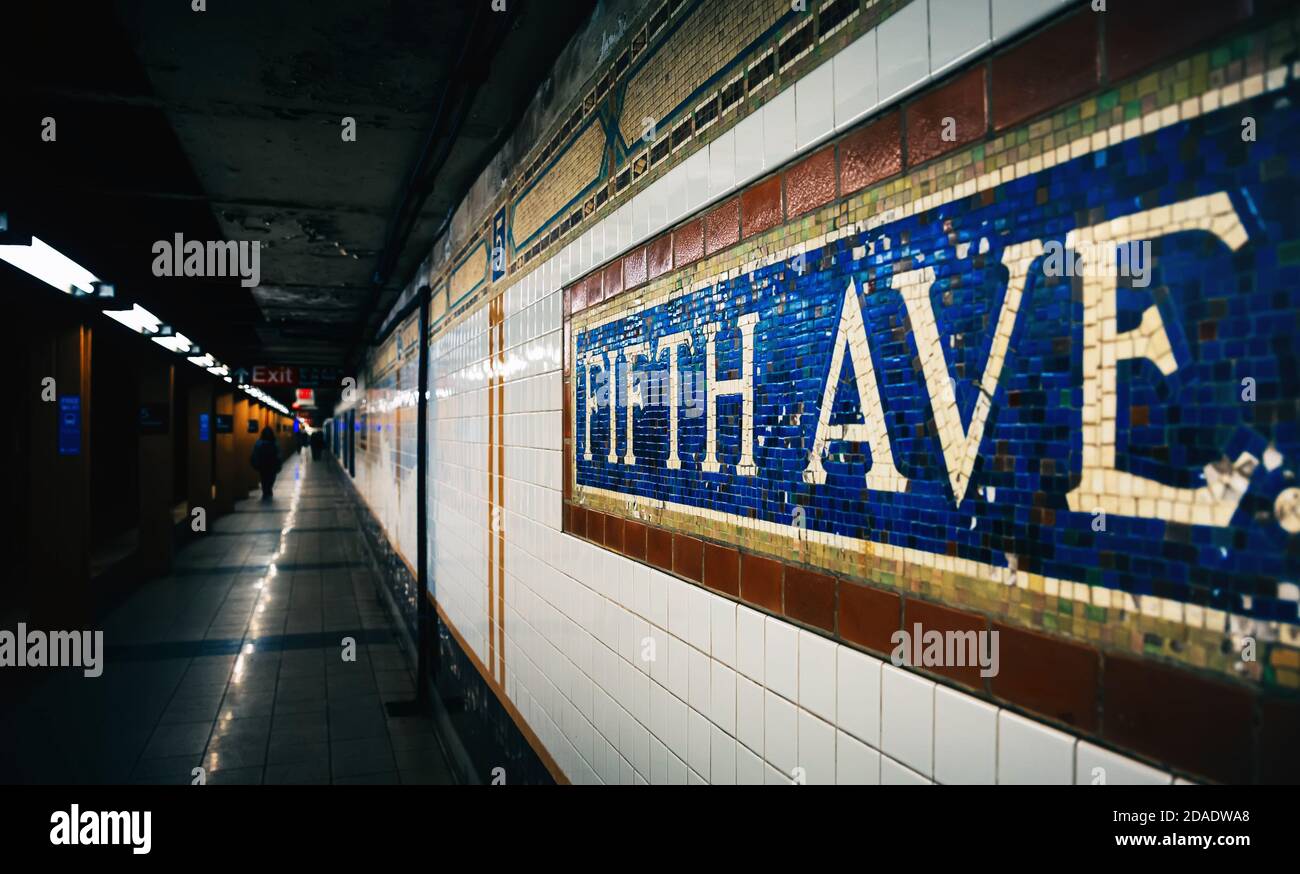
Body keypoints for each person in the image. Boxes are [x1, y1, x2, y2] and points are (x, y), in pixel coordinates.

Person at [250, 426, 282, 500]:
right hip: (265, 464)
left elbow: (278, 452)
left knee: (270, 478)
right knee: (265, 478)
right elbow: (255, 452)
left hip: (269, 463)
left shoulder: (261, 442)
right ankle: (266, 491)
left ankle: (268, 489)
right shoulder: (268, 442)